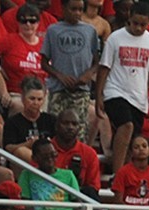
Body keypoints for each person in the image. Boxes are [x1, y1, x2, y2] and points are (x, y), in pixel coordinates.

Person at [95, 1, 149, 176]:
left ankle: (124, 173)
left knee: (132, 138)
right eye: (135, 23)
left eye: (143, 24)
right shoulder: (115, 38)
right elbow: (104, 68)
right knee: (126, 125)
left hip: (138, 96)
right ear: (129, 18)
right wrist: (99, 95)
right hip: (115, 90)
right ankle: (117, 173)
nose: (138, 28)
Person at [41, 0, 99, 131]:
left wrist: (88, 74)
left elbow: (96, 62)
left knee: (78, 129)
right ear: (63, 8)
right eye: (73, 9)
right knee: (55, 127)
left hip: (81, 90)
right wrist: (60, 76)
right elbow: (44, 63)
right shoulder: (53, 30)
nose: (77, 13)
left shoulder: (90, 31)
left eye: (80, 9)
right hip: (58, 89)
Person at [19, 138, 80, 210]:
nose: (50, 159)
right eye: (45, 157)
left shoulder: (68, 175)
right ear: (34, 158)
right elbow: (24, 204)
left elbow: (77, 201)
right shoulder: (27, 175)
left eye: (53, 155)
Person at [3, 77, 56, 162]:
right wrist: (27, 144)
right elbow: (8, 148)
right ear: (23, 98)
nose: (36, 103)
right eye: (32, 99)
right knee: (21, 151)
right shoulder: (12, 122)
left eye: (39, 99)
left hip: (49, 160)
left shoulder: (50, 120)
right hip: (23, 163)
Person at [111, 134, 149, 210]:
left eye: (144, 146)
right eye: (136, 147)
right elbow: (118, 201)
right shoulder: (123, 171)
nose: (141, 149)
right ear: (131, 152)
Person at [51, 108, 101, 192]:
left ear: (79, 128)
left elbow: (93, 187)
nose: (70, 127)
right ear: (56, 126)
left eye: (74, 124)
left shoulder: (89, 153)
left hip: (77, 198)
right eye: (65, 123)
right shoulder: (44, 150)